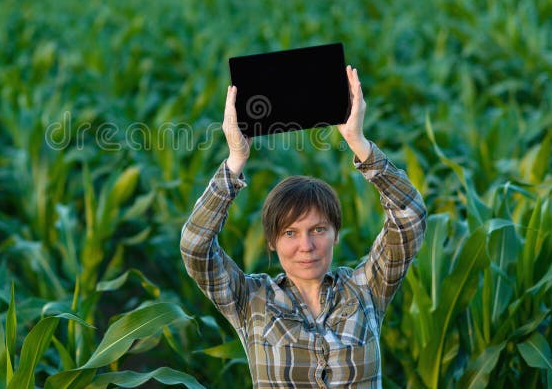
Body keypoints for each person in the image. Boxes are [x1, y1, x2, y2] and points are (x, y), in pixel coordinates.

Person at [180, 66, 427, 388]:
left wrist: (358, 142)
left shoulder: (366, 289)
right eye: (290, 233)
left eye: (318, 230)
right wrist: (236, 159)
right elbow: (194, 246)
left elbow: (410, 217)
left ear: (336, 234)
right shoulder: (250, 300)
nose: (306, 246)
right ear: (271, 241)